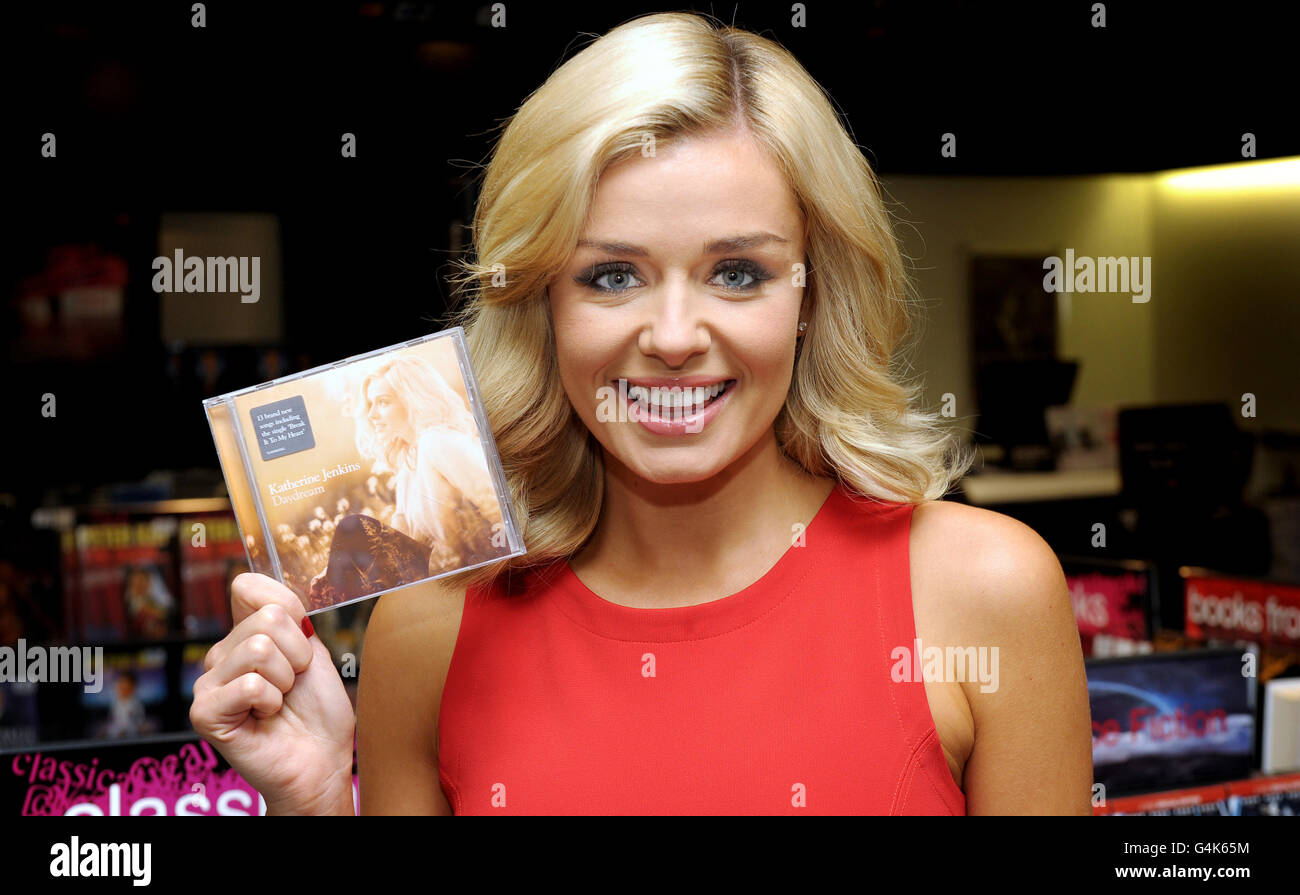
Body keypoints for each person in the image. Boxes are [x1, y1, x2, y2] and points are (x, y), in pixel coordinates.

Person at [191, 12, 1092, 815]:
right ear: (542, 304)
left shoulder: (984, 592)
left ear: (813, 295)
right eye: (611, 275)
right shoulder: (431, 625)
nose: (671, 336)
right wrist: (313, 807)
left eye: (737, 273)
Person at [306, 354, 503, 607]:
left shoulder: (439, 442)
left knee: (352, 528)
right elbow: (402, 542)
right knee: (350, 541)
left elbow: (497, 506)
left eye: (383, 402)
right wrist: (333, 568)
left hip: (476, 584)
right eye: (370, 404)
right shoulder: (408, 463)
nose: (372, 414)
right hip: (436, 589)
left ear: (412, 400)